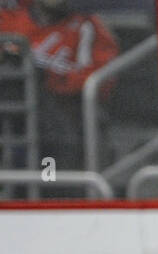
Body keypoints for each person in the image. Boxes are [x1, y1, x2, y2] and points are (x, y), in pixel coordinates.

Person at [0, 0, 118, 169]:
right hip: (11, 111)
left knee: (57, 139)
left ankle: (51, 184)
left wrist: (49, 78)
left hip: (59, 117)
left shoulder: (87, 26)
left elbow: (101, 82)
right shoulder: (8, 20)